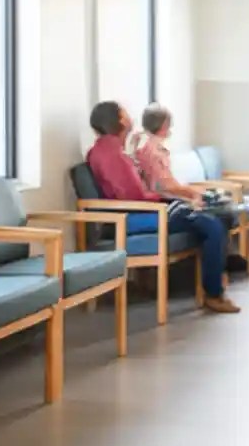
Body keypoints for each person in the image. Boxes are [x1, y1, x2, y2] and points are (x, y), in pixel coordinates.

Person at [87, 101, 240, 314]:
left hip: (144, 210)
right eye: (125, 112)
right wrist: (170, 201)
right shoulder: (111, 153)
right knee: (211, 224)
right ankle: (213, 293)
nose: (130, 116)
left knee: (210, 219)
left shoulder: (113, 149)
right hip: (135, 217)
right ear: (120, 120)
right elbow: (134, 196)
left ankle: (216, 282)